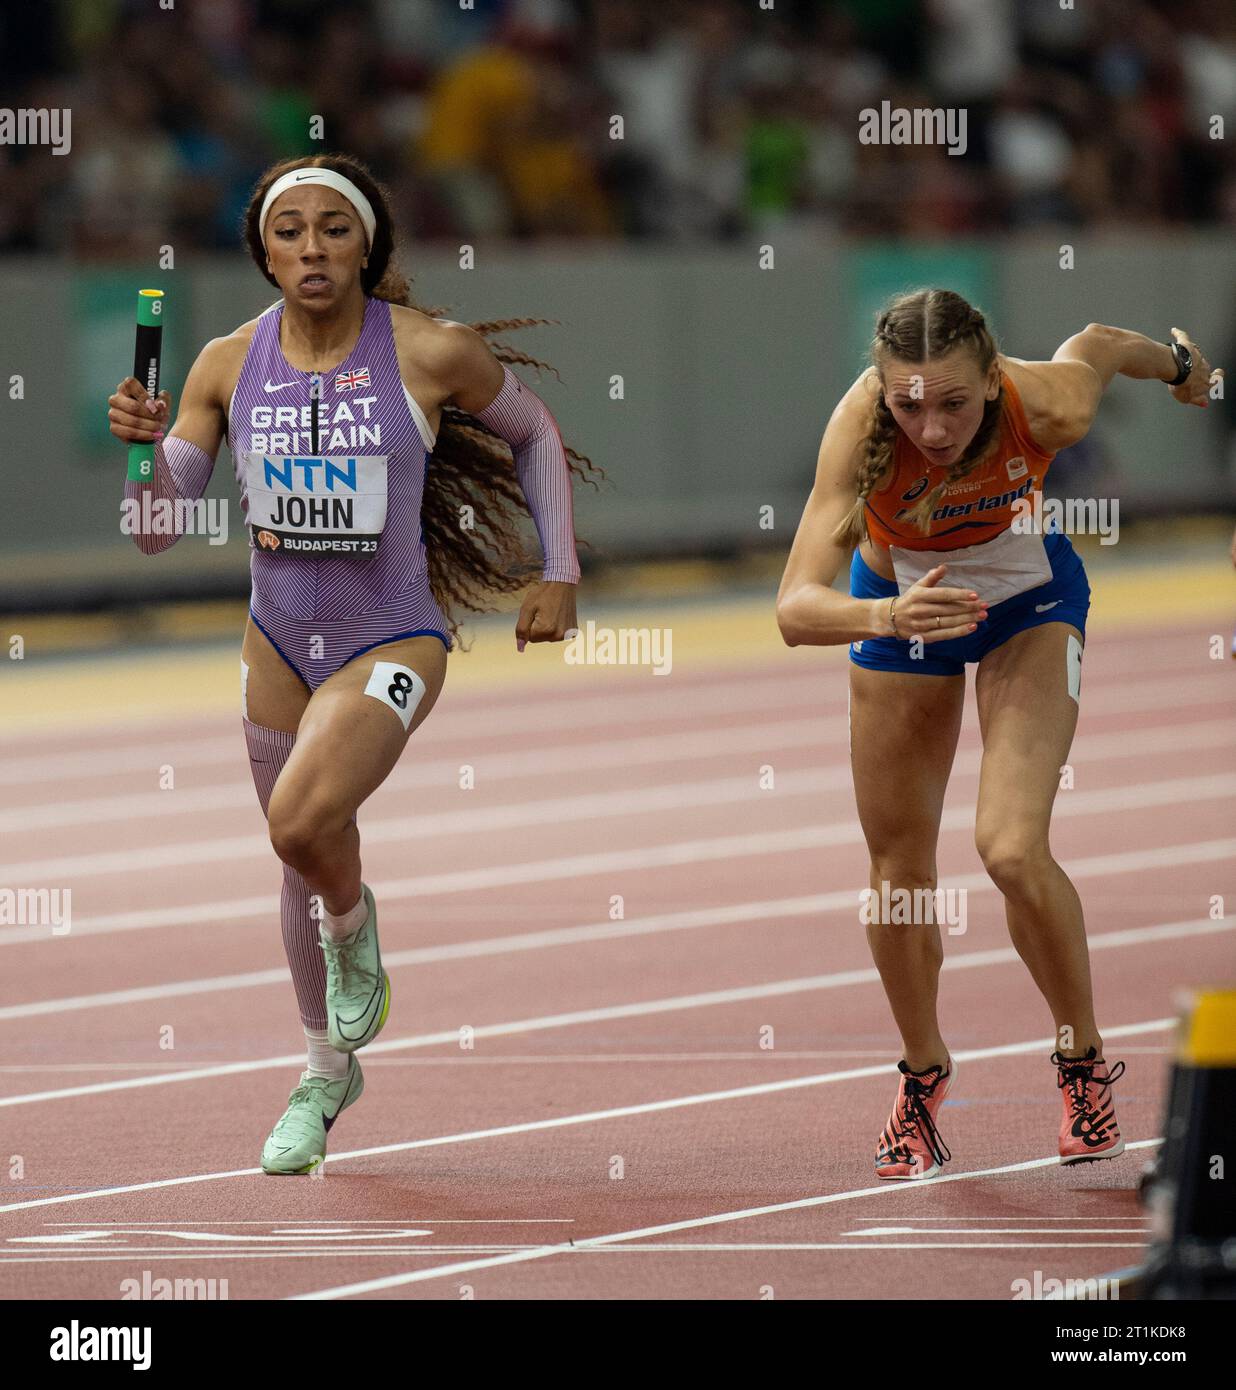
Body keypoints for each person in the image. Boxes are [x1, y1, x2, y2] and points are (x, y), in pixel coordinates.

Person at [108, 153, 597, 1174]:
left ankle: (352, 919)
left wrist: (560, 568)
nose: (313, 248)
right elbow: (155, 531)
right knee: (296, 845)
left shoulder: (426, 351)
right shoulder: (220, 363)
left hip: (391, 636)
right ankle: (325, 1074)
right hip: (275, 641)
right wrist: (141, 452)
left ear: (366, 243)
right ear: (265, 253)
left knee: (300, 820)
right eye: (291, 233)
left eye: (334, 228)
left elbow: (535, 433)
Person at [777, 287, 1220, 1179]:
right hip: (905, 610)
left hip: (1029, 601)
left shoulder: (1046, 401)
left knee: (1011, 849)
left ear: (991, 380)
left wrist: (1181, 368)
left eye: (953, 403)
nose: (931, 428)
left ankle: (1083, 1062)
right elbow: (795, 607)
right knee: (899, 873)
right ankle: (921, 1074)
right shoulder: (859, 428)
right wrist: (891, 614)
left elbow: (1099, 340)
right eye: (909, 403)